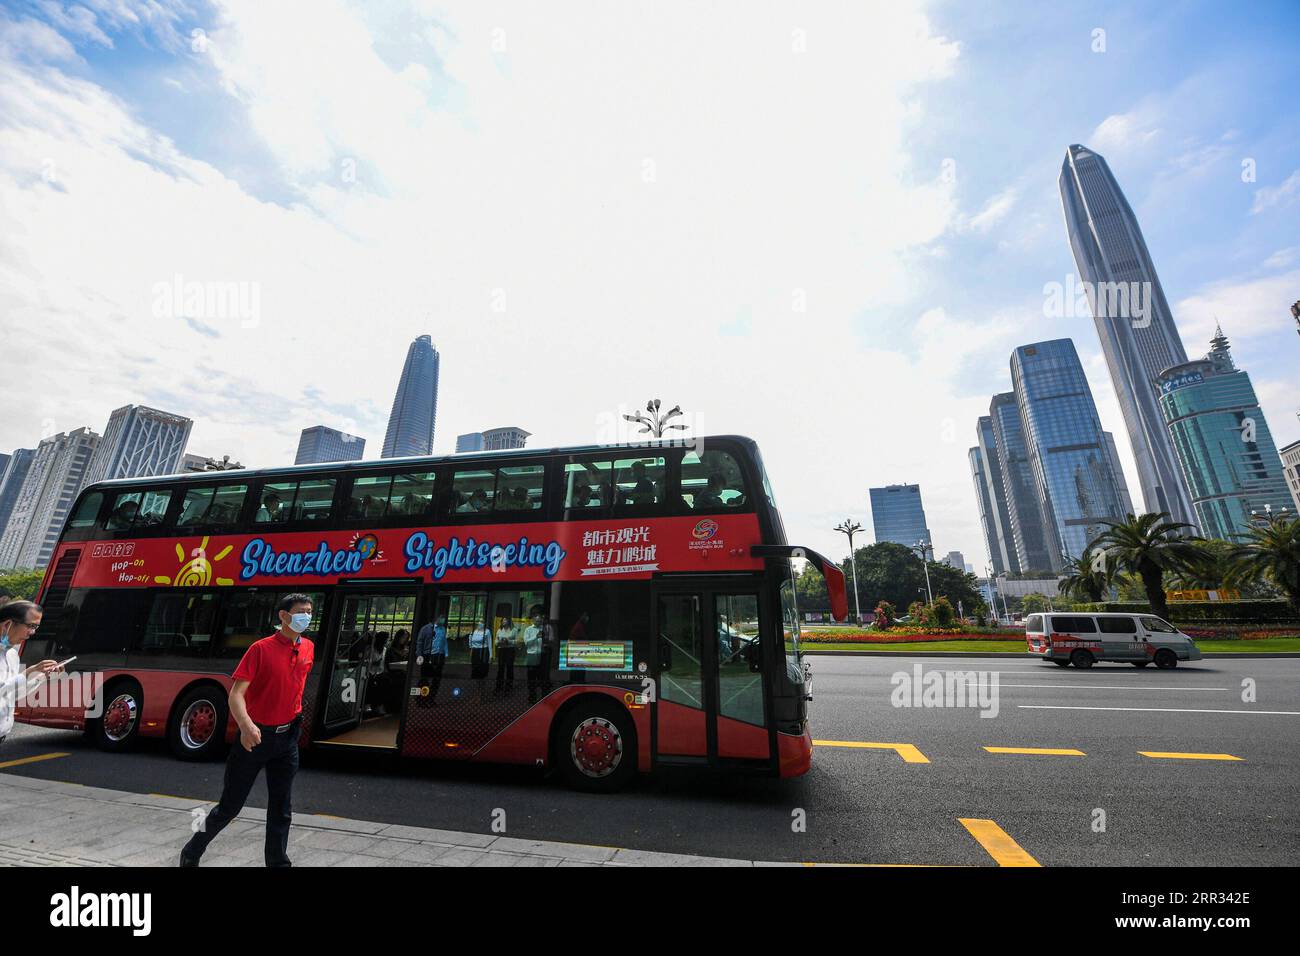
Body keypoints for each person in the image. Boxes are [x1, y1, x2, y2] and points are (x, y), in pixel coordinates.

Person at [180, 593, 316, 867]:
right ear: (283, 615)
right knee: (229, 807)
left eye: (310, 611)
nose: (307, 616)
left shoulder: (309, 648)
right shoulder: (260, 649)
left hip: (288, 738)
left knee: (282, 808)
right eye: (301, 611)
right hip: (254, 737)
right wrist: (246, 725)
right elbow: (236, 694)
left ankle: (278, 863)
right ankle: (192, 851)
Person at [0, 601, 61, 751]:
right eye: (31, 626)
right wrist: (27, 672)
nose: (33, 632)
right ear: (7, 624)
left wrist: (40, 676)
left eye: (36, 627)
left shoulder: (12, 654)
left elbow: (11, 694)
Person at [415, 615, 447, 705]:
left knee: (436, 679)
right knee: (425, 679)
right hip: (427, 655)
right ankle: (421, 699)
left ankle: (430, 698)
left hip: (438, 656)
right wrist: (419, 655)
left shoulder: (442, 629)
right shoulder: (425, 628)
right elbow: (420, 642)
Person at [524, 607, 552, 704]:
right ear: (533, 618)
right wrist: (535, 637)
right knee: (531, 678)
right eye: (536, 617)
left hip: (542, 655)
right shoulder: (528, 629)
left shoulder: (543, 629)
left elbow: (548, 641)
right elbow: (526, 643)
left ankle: (544, 698)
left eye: (539, 617)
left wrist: (546, 641)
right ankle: (532, 698)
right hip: (531, 655)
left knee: (542, 678)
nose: (538, 619)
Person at [494, 615, 520, 694]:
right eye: (503, 621)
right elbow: (496, 641)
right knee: (500, 669)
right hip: (501, 650)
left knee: (509, 668)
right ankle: (499, 687)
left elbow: (517, 641)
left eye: (506, 620)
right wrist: (499, 642)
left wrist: (509, 641)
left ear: (509, 622)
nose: (504, 622)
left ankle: (508, 687)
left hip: (510, 650)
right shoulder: (499, 630)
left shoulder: (514, 630)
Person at [468, 619, 492, 699]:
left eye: (482, 621)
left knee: (482, 674)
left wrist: (491, 656)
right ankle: (477, 694)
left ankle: (481, 694)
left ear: (484, 623)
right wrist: (471, 654)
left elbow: (490, 643)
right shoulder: (474, 631)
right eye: (479, 621)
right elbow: (471, 643)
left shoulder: (487, 631)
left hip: (483, 652)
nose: (480, 623)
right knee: (476, 674)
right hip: (475, 653)